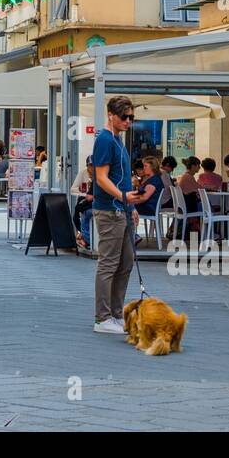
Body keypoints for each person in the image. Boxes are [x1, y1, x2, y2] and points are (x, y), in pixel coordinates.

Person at [91, 96, 144, 335]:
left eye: (131, 117)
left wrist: (130, 207)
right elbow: (101, 178)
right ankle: (102, 318)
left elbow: (119, 177)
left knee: (126, 263)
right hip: (110, 210)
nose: (128, 121)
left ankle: (115, 313)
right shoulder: (104, 139)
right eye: (124, 117)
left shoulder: (118, 140)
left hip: (121, 209)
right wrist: (124, 199)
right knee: (109, 263)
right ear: (111, 115)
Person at [176, 156, 203, 240]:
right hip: (188, 208)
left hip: (184, 207)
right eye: (198, 165)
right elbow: (200, 189)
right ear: (193, 166)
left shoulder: (186, 176)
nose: (199, 167)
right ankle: (207, 232)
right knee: (205, 208)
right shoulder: (188, 177)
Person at [72, 155, 94, 250]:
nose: (92, 168)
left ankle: (85, 239)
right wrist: (84, 194)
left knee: (86, 212)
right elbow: (73, 189)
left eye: (94, 165)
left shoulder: (100, 174)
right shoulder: (83, 173)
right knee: (80, 211)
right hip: (86, 200)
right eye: (90, 165)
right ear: (87, 165)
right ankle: (84, 236)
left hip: (95, 203)